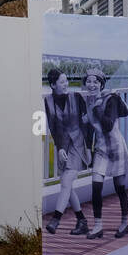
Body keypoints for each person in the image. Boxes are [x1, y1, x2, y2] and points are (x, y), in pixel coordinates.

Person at [83, 67, 128, 239]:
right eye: (88, 81)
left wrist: (97, 108)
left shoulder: (110, 99)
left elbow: (108, 125)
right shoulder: (87, 101)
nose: (91, 85)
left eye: (95, 82)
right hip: (101, 149)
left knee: (120, 188)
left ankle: (124, 223)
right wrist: (88, 149)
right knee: (96, 188)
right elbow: (89, 129)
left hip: (116, 148)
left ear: (101, 84)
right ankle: (98, 226)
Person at [42, 69, 90, 236]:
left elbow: (87, 125)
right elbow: (54, 128)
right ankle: (82, 220)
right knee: (67, 185)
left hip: (78, 144)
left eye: (66, 81)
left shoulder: (77, 98)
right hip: (63, 147)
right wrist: (60, 147)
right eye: (62, 82)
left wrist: (89, 147)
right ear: (53, 85)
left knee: (66, 182)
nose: (66, 85)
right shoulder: (47, 101)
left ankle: (56, 219)